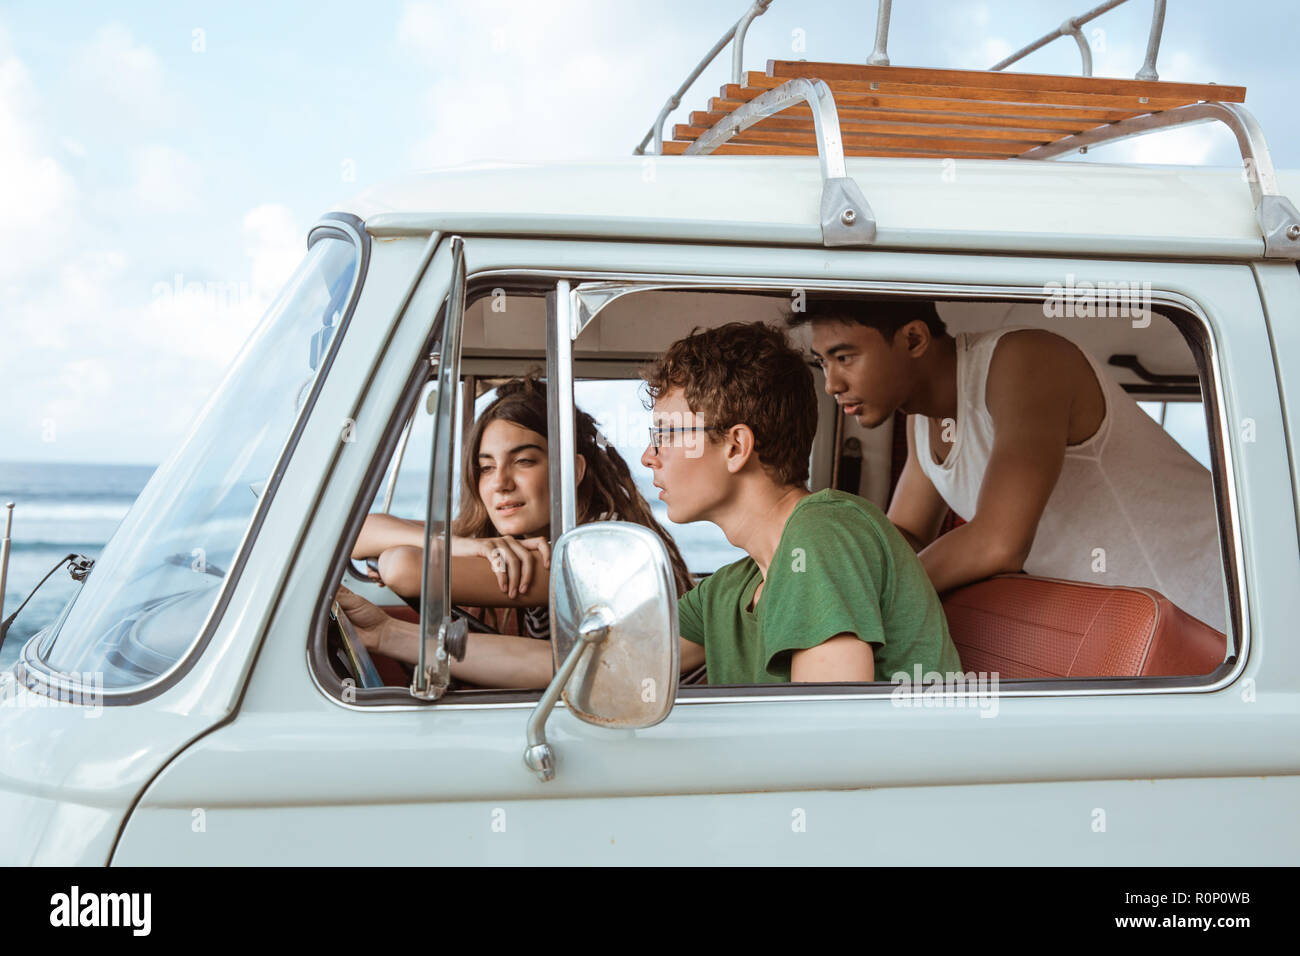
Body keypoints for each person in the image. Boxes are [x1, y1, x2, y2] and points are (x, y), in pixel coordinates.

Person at [339, 323, 961, 689]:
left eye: (667, 434)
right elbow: (587, 665)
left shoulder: (824, 532)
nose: (648, 456)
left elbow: (827, 749)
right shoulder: (733, 587)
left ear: (736, 445)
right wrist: (392, 634)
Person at [792, 295, 1227, 633]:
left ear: (913, 340)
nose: (831, 383)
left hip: (1218, 605)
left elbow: (998, 543)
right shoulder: (922, 425)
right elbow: (904, 535)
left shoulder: (1024, 360)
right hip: (1136, 619)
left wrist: (867, 599)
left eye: (844, 357)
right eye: (822, 363)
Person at [347, 375, 692, 654]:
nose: (500, 483)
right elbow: (356, 534)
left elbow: (403, 568)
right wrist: (472, 545)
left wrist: (465, 545)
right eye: (485, 468)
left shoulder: (599, 547)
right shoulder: (526, 538)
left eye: (523, 461)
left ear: (572, 470)